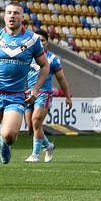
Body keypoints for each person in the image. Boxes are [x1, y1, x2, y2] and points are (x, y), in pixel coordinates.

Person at [0, 3, 52, 190]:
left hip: (16, 96)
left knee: (9, 135)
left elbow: (45, 66)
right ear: (4, 16)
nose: (12, 16)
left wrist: (35, 88)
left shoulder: (31, 40)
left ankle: (5, 143)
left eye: (16, 13)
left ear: (22, 17)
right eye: (8, 13)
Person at [24, 29, 72, 163]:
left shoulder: (52, 59)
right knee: (31, 127)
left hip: (44, 93)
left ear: (46, 43)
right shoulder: (27, 56)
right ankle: (48, 146)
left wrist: (68, 96)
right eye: (37, 40)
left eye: (43, 40)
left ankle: (35, 154)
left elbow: (61, 79)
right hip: (29, 93)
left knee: (36, 121)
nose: (40, 42)